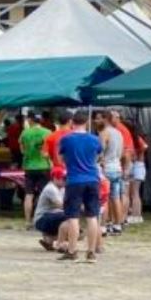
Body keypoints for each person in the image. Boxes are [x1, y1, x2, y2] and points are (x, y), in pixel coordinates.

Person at [57, 110, 104, 263]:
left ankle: (72, 250)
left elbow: (61, 158)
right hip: (92, 179)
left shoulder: (66, 139)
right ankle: (91, 252)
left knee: (73, 217)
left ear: (72, 122)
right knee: (92, 216)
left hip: (74, 180)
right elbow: (98, 157)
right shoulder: (95, 139)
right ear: (86, 122)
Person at [95, 109, 127, 234]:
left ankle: (103, 225)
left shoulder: (104, 133)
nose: (96, 121)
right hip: (117, 167)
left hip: (106, 168)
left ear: (105, 119)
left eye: (98, 118)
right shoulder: (119, 133)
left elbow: (100, 152)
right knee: (116, 197)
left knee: (104, 198)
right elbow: (121, 152)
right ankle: (117, 225)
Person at [19, 112, 52, 221]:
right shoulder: (47, 132)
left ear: (30, 120)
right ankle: (42, 218)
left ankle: (28, 221)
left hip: (29, 166)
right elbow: (50, 150)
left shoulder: (25, 133)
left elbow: (22, 150)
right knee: (44, 194)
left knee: (29, 195)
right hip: (44, 165)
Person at [33, 165, 69, 252]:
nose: (65, 180)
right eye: (63, 178)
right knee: (70, 216)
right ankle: (59, 243)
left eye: (66, 178)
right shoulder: (50, 189)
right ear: (54, 178)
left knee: (78, 231)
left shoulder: (62, 188)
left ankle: (50, 240)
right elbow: (61, 205)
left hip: (52, 216)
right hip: (42, 218)